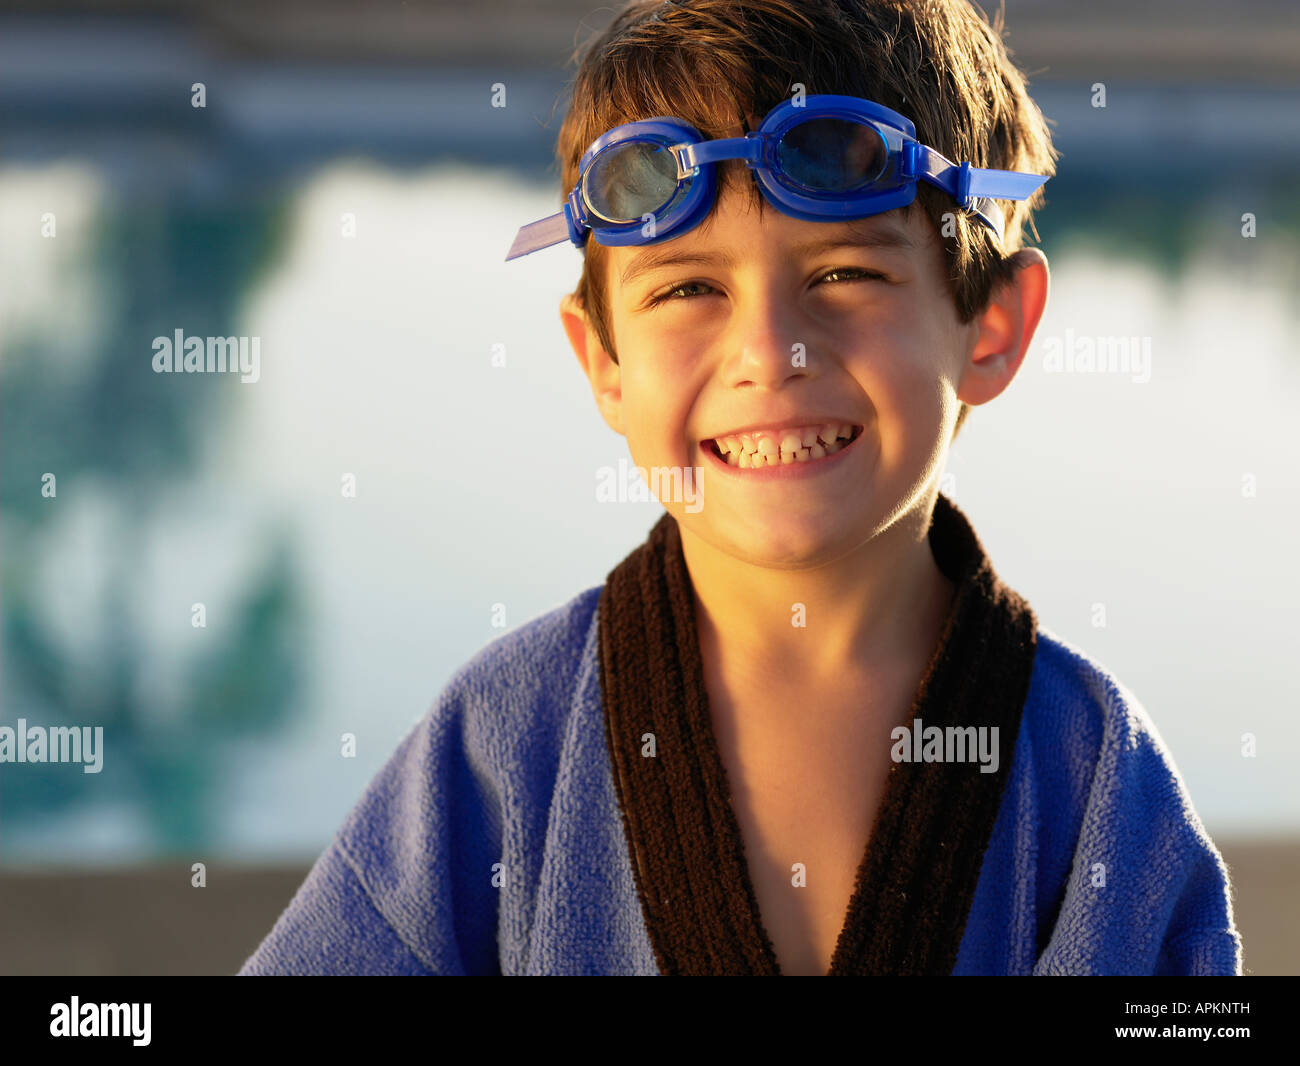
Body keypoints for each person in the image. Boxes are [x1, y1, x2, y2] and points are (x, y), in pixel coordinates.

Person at [239, 0, 1241, 976]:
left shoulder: (1095, 778)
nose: (771, 352)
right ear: (605, 366)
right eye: (687, 288)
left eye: (845, 275)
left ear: (991, 326)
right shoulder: (505, 747)